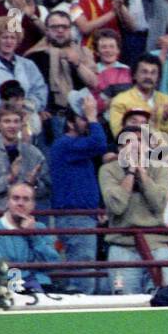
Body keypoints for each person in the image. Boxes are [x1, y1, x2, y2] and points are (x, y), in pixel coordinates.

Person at [99, 125, 168, 294]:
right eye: (129, 142)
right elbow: (116, 206)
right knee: (125, 303)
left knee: (167, 299)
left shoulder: (160, 168)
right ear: (120, 148)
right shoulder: (107, 170)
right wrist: (131, 172)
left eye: (140, 141)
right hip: (121, 245)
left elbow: (159, 203)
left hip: (157, 245)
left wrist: (141, 171)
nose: (135, 146)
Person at [46, 93, 106, 294]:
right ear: (70, 123)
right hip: (74, 217)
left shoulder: (74, 147)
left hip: (82, 215)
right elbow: (99, 143)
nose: (88, 123)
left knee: (83, 272)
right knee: (82, 277)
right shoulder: (65, 144)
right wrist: (92, 116)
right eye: (82, 118)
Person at [0, 181, 60, 292]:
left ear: (33, 204)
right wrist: (29, 273)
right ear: (7, 202)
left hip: (42, 286)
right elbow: (1, 266)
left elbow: (53, 263)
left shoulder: (40, 228)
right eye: (16, 198)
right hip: (9, 287)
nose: (20, 203)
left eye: (26, 199)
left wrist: (33, 235)